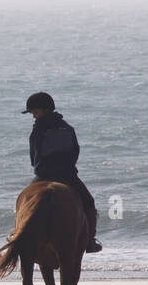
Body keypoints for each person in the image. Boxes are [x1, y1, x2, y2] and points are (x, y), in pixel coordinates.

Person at [23, 91, 101, 252]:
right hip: (68, 176)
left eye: (35, 112)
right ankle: (90, 241)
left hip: (44, 175)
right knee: (88, 202)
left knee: (24, 200)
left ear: (45, 110)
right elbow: (75, 152)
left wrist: (41, 170)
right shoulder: (68, 128)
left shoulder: (38, 130)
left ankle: (18, 233)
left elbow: (34, 157)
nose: (34, 116)